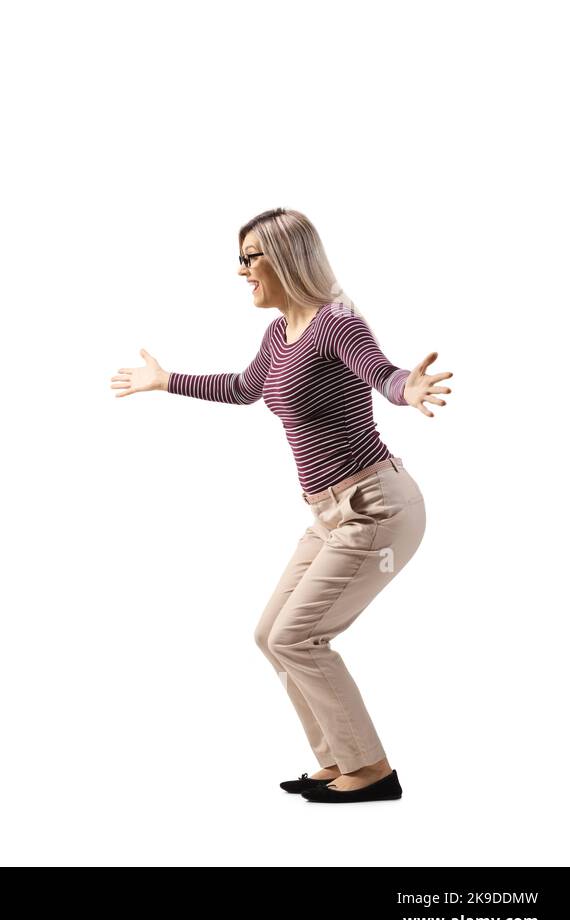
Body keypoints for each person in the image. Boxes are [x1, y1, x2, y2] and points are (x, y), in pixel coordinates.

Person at [110, 208, 453, 803]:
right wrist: (165, 380)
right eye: (240, 258)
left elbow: (383, 375)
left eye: (251, 257)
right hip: (329, 514)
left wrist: (408, 389)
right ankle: (338, 759)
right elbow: (246, 389)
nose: (242, 271)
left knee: (298, 637)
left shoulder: (335, 325)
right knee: (272, 634)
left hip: (377, 510)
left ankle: (370, 772)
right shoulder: (279, 333)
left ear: (287, 258)